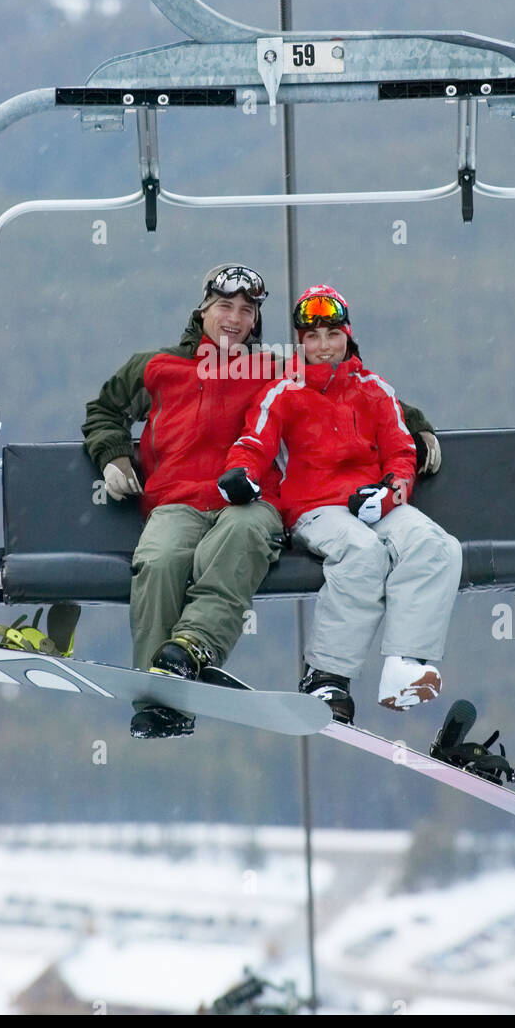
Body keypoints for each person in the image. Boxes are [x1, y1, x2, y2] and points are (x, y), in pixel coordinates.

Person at [218, 284, 462, 725]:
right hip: (315, 507)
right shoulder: (284, 391)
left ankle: (406, 666)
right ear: (300, 342)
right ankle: (327, 675)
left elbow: (401, 455)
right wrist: (240, 475)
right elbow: (254, 443)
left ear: (347, 335)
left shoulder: (374, 390)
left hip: (372, 503)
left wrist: (389, 494)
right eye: (312, 337)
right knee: (363, 553)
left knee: (437, 545)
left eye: (332, 334)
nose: (323, 346)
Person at [81, 264, 286, 739]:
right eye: (224, 306)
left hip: (248, 500)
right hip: (177, 501)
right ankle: (159, 701)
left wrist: (413, 428)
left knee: (241, 535)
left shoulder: (274, 370)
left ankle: (194, 647)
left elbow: (348, 391)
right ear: (203, 310)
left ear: (255, 320)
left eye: (246, 310)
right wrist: (113, 456)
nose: (234, 318)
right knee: (159, 560)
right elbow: (104, 410)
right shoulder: (157, 367)